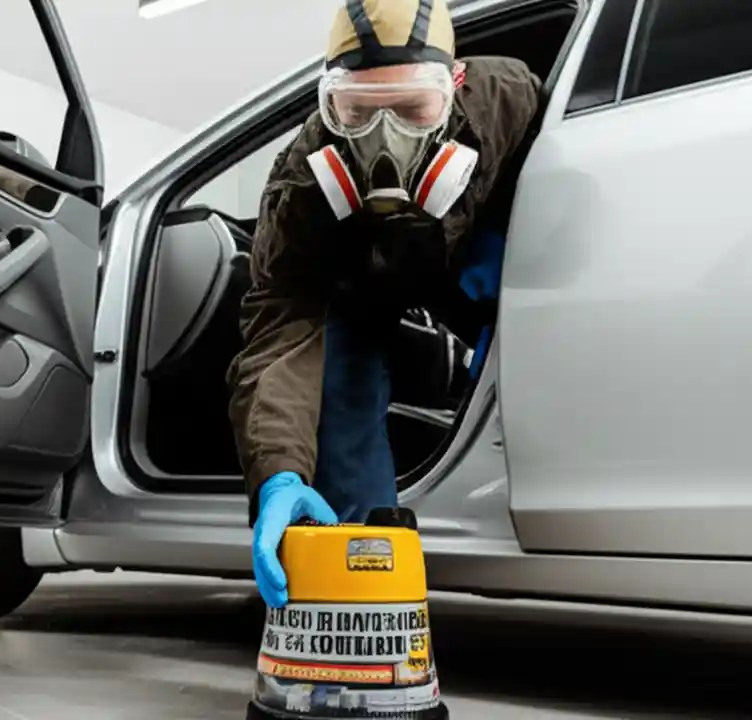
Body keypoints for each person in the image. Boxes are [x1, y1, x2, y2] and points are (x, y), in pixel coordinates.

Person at [226, 0, 544, 608]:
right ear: (330, 104)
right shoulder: (302, 186)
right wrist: (278, 475)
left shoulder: (509, 97)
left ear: (456, 86)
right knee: (339, 406)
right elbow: (282, 329)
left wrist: (508, 249)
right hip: (355, 294)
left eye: (410, 107)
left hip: (460, 258)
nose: (383, 137)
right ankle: (360, 591)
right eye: (359, 112)